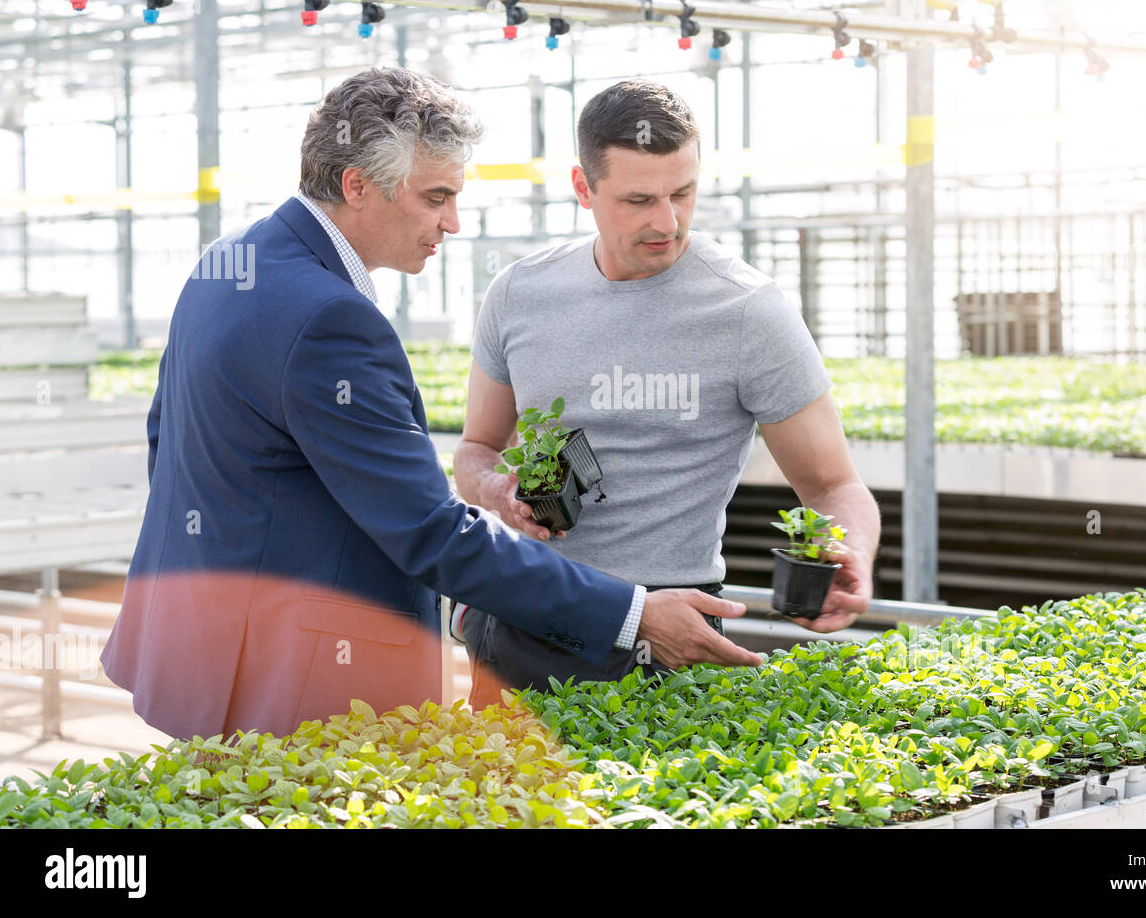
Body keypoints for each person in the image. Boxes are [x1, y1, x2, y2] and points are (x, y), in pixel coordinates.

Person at [100, 67, 760, 742]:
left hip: (203, 650)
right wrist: (633, 615)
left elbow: (172, 443)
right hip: (296, 680)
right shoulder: (330, 319)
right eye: (435, 197)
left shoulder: (231, 261)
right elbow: (430, 534)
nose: (452, 221)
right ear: (358, 186)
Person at [454, 78, 881, 707]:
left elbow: (833, 485)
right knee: (507, 803)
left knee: (651, 803)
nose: (667, 221)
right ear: (583, 188)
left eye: (683, 193)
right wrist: (497, 490)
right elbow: (476, 450)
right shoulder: (519, 293)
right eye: (638, 199)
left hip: (670, 629)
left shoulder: (747, 310)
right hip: (527, 606)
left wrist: (852, 553)